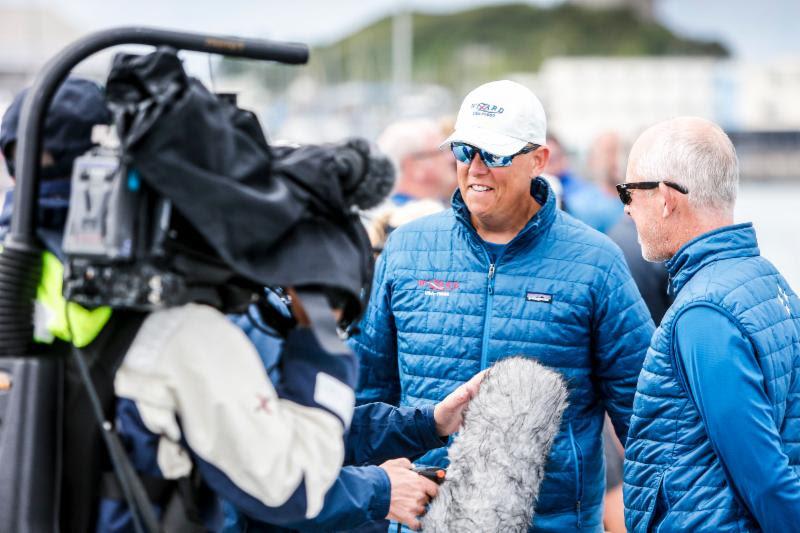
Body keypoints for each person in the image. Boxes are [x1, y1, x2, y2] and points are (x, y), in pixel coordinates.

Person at [0, 75, 481, 532]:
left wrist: (423, 425)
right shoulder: (182, 331)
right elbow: (293, 482)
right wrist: (319, 331)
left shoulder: (19, 294)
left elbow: (263, 410)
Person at [351, 79, 654, 531]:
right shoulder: (407, 249)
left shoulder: (596, 262)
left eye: (494, 154)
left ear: (539, 160)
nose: (475, 168)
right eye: (464, 151)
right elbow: (366, 394)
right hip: (425, 520)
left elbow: (646, 420)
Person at [621, 116, 800, 532]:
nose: (627, 208)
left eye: (628, 191)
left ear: (665, 197)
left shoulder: (704, 312)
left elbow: (764, 475)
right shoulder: (768, 278)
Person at [586, 130, 672, 324]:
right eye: (607, 152)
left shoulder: (627, 226)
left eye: (614, 153)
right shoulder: (585, 206)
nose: (611, 161)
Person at [363, 118, 455, 252]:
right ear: (415, 166)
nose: (452, 157)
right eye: (441, 151)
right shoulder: (393, 227)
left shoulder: (379, 219)